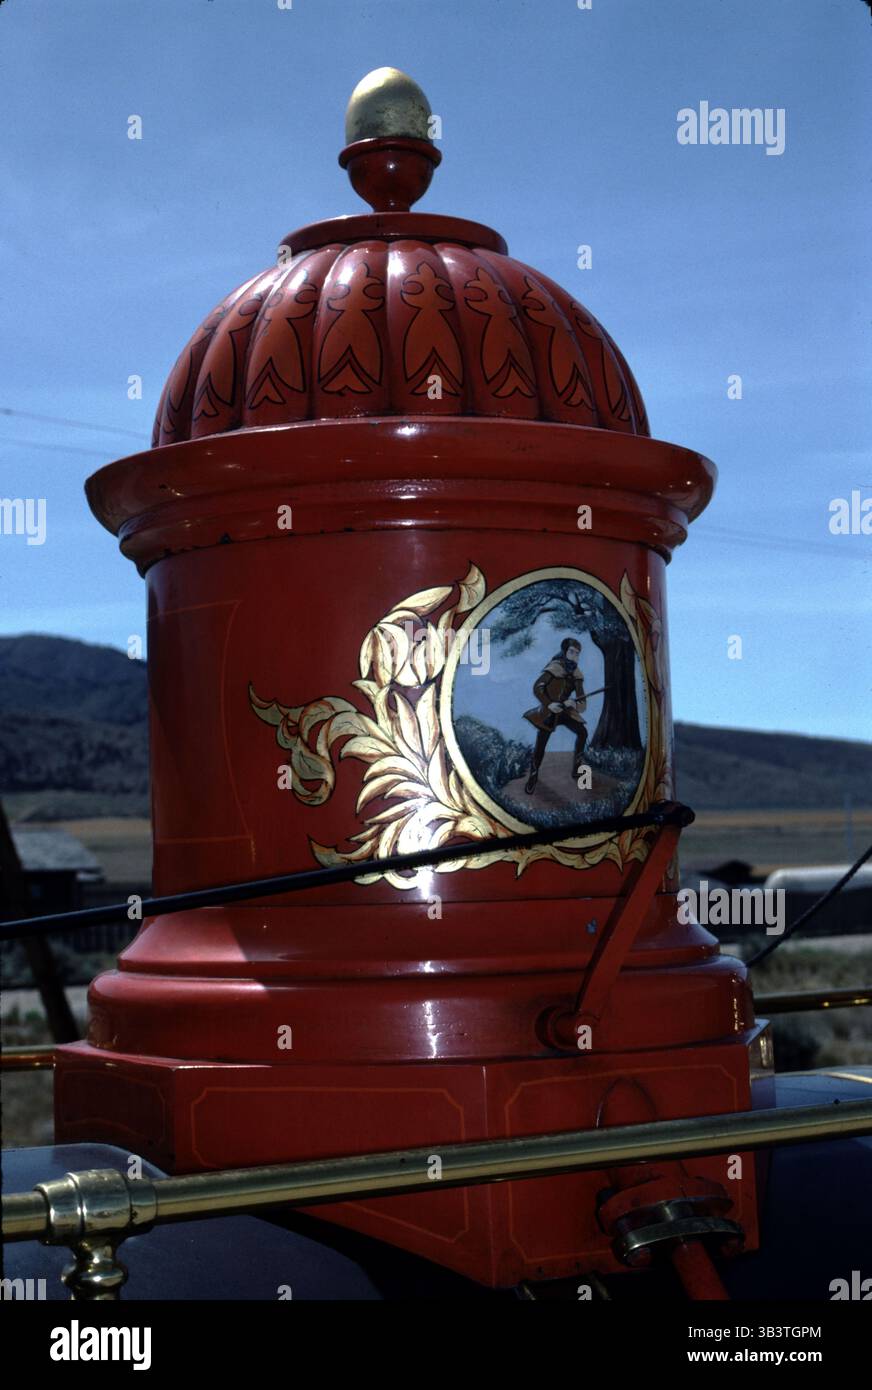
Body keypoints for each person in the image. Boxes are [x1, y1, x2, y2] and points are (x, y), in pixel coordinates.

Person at [523, 638, 587, 794]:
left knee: (582, 733)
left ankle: (577, 768)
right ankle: (534, 774)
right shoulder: (554, 667)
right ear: (565, 651)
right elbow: (537, 688)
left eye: (577, 653)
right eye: (571, 652)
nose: (574, 655)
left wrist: (574, 705)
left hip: (565, 711)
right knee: (541, 744)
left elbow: (582, 703)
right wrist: (549, 704)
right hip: (549, 710)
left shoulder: (577, 674)